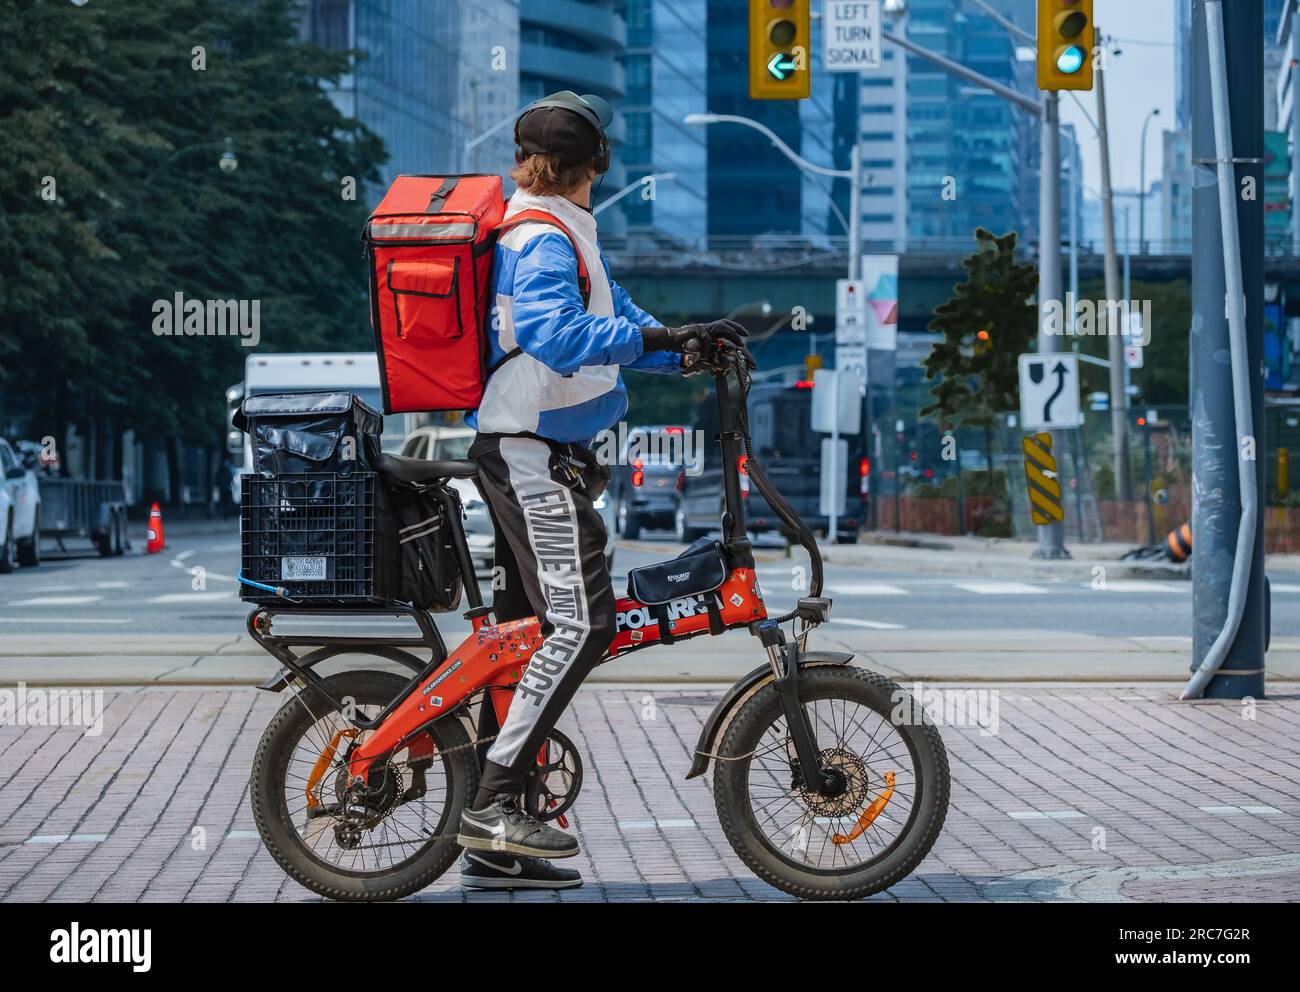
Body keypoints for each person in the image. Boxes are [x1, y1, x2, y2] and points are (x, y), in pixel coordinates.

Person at [456, 91, 748, 891]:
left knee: (521, 637)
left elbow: (614, 324)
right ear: (595, 168)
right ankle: (491, 805)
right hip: (528, 454)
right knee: (584, 624)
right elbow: (557, 335)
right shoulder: (542, 238)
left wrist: (685, 345)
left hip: (537, 449)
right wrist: (651, 337)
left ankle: (494, 846)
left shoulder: (557, 229)